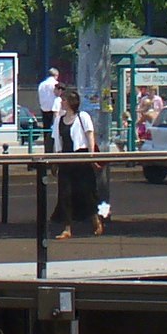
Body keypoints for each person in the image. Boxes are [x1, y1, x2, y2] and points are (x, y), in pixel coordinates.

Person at [53, 89, 101, 238]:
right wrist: (55, 159)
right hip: (66, 159)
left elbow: (89, 134)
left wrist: (91, 156)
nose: (61, 102)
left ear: (70, 102)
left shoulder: (83, 116)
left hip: (81, 158)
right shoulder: (59, 119)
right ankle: (67, 228)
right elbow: (57, 140)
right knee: (65, 194)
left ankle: (95, 219)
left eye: (64, 100)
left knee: (86, 192)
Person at [37, 67, 61, 152]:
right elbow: (58, 95)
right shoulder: (56, 84)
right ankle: (54, 149)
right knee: (54, 130)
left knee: (46, 131)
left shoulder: (41, 84)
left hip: (44, 109)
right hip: (54, 110)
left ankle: (47, 149)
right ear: (56, 75)